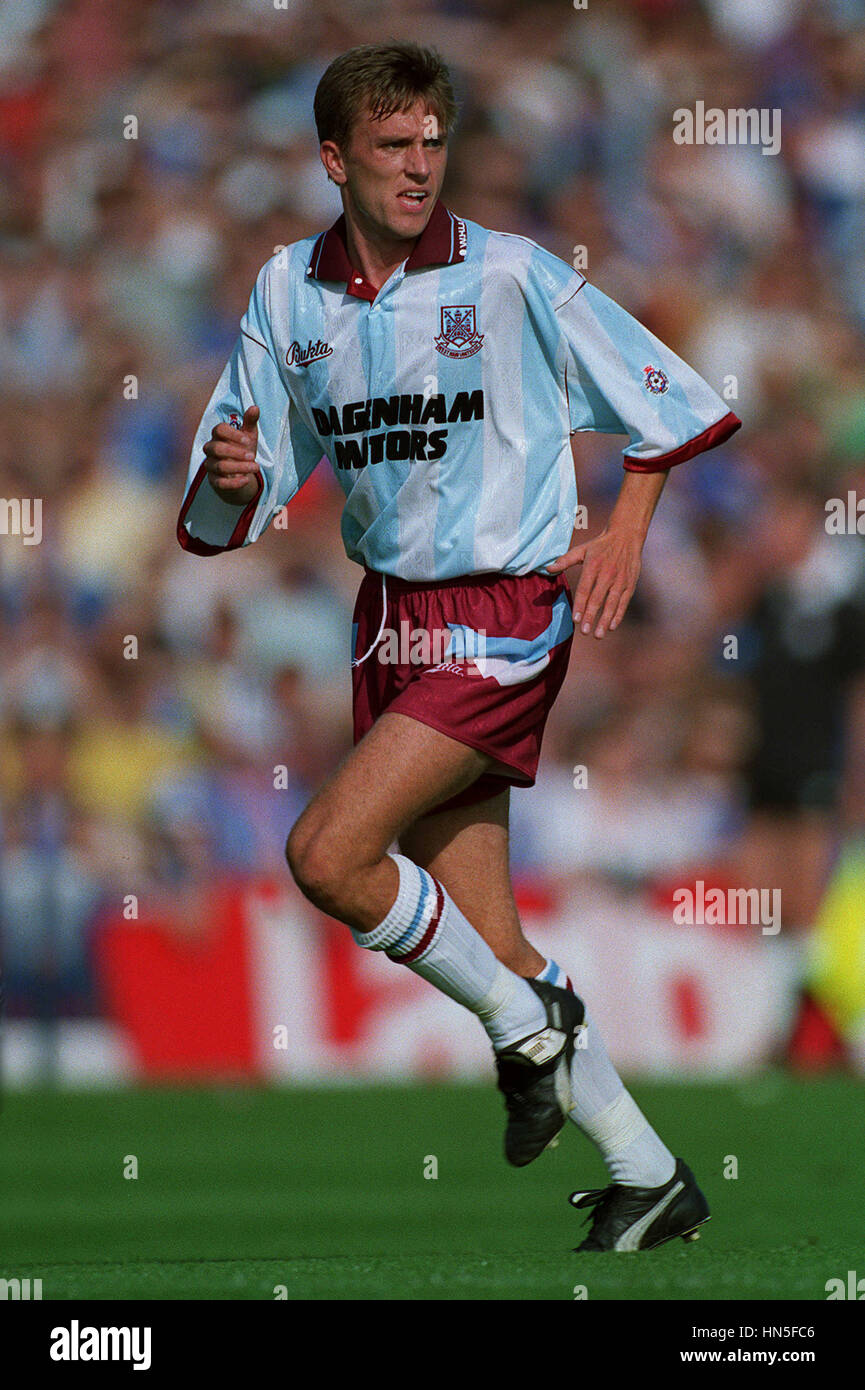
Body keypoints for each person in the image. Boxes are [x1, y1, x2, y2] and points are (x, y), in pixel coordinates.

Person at [178, 42, 739, 1252]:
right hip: (386, 622)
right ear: (334, 159)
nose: (420, 165)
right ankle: (648, 1173)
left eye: (434, 142)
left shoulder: (513, 275)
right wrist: (241, 475)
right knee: (494, 946)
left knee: (328, 854)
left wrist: (624, 534)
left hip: (500, 615)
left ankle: (527, 1029)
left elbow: (674, 403)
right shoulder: (288, 293)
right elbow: (234, 496)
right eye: (393, 146)